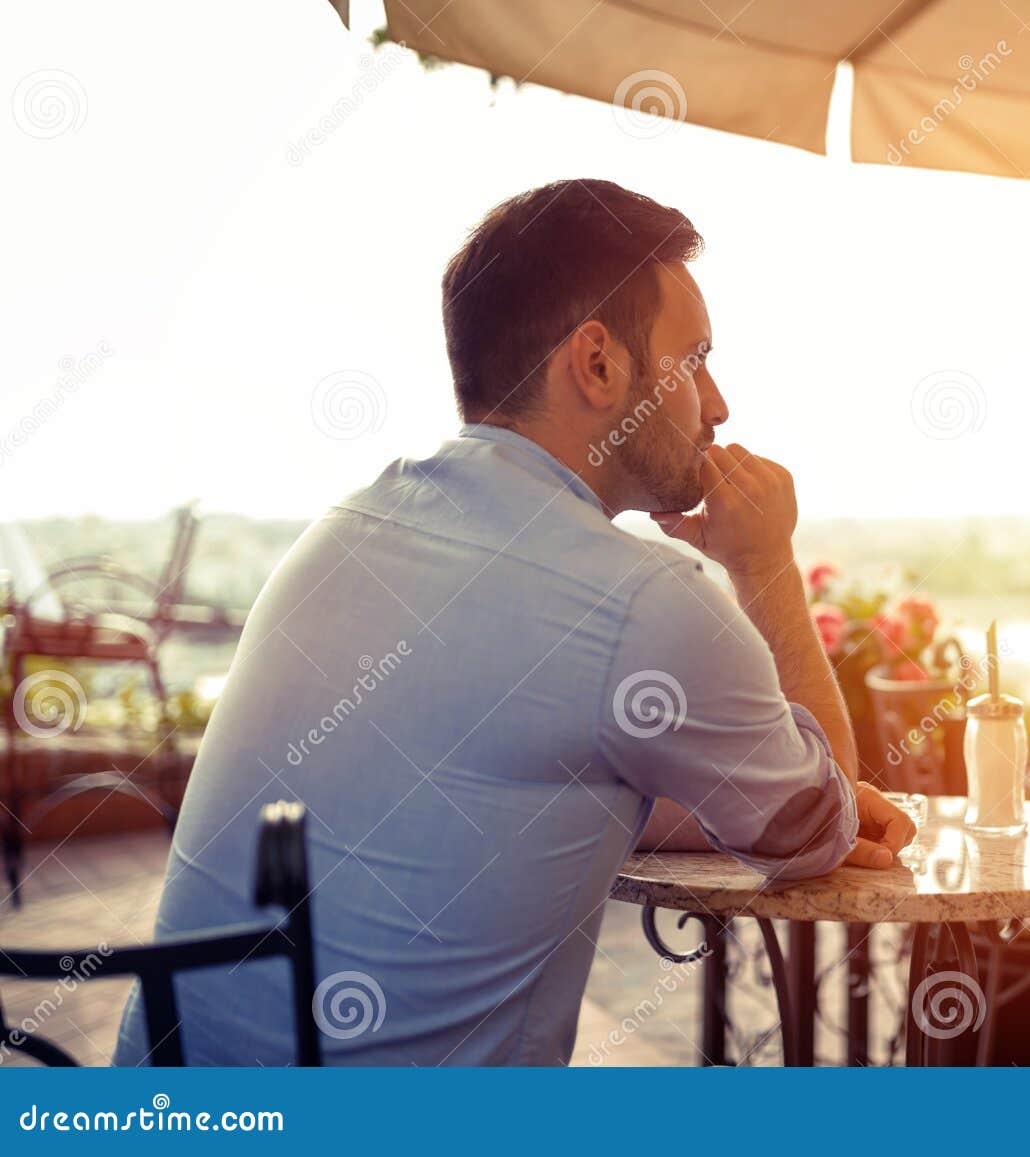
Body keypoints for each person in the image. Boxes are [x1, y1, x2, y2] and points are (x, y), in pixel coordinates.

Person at [114, 179, 914, 1066]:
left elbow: (498, 785)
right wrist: (764, 565)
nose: (717, 403)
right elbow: (820, 832)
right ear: (598, 364)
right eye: (693, 361)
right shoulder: (643, 599)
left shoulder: (343, 533)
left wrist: (732, 796)